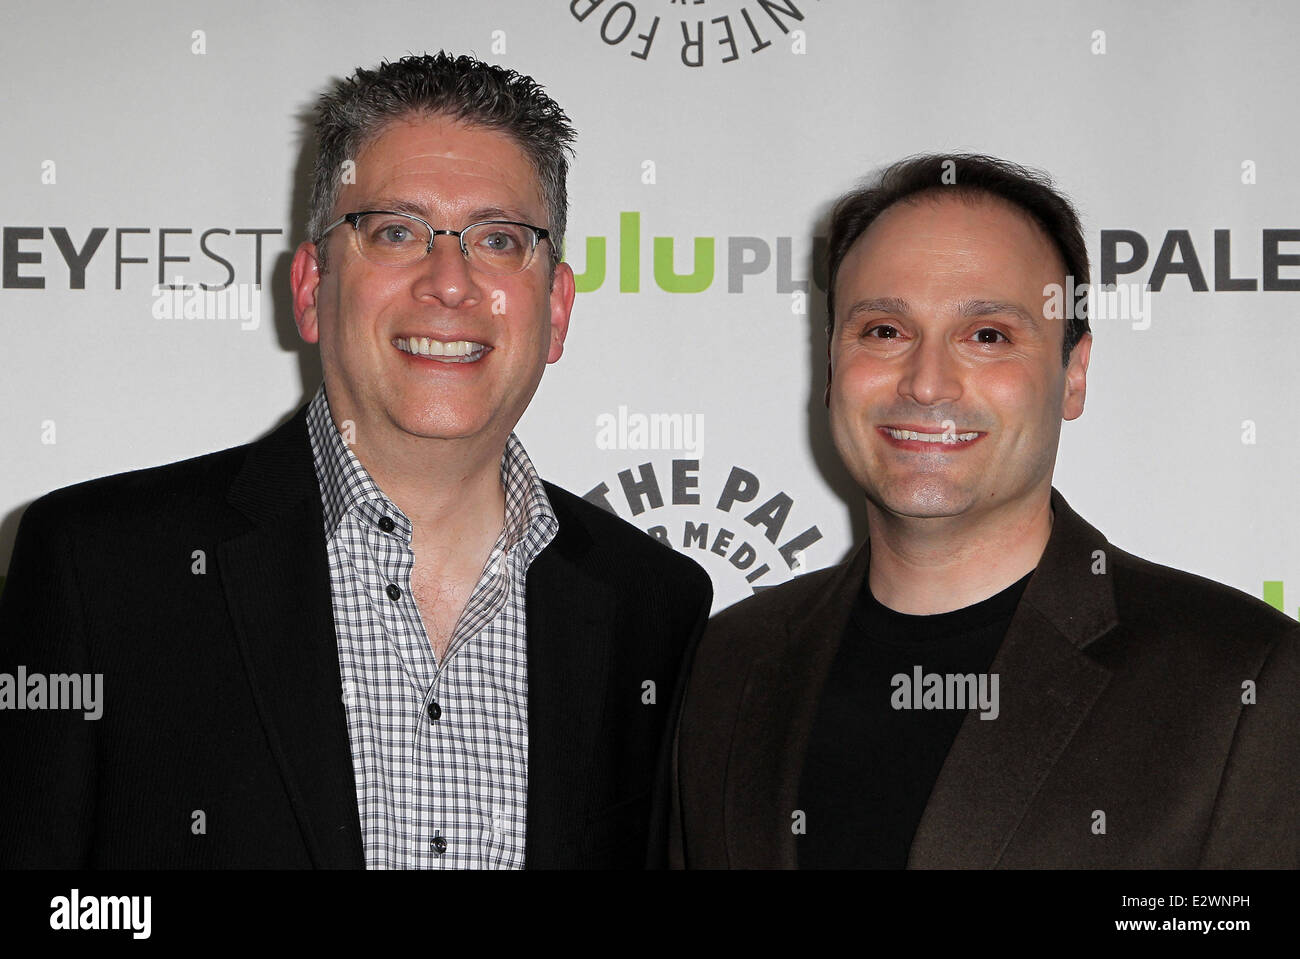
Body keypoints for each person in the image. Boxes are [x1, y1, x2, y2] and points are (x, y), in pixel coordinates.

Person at [0, 52, 711, 870]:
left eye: (499, 239)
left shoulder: (657, 606)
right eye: (395, 232)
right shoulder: (102, 568)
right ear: (310, 287)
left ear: (555, 310)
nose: (450, 281)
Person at [668, 154, 1299, 869]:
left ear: (1073, 374)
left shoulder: (1243, 680)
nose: (927, 383)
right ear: (832, 363)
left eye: (988, 335)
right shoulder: (727, 665)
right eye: (883, 330)